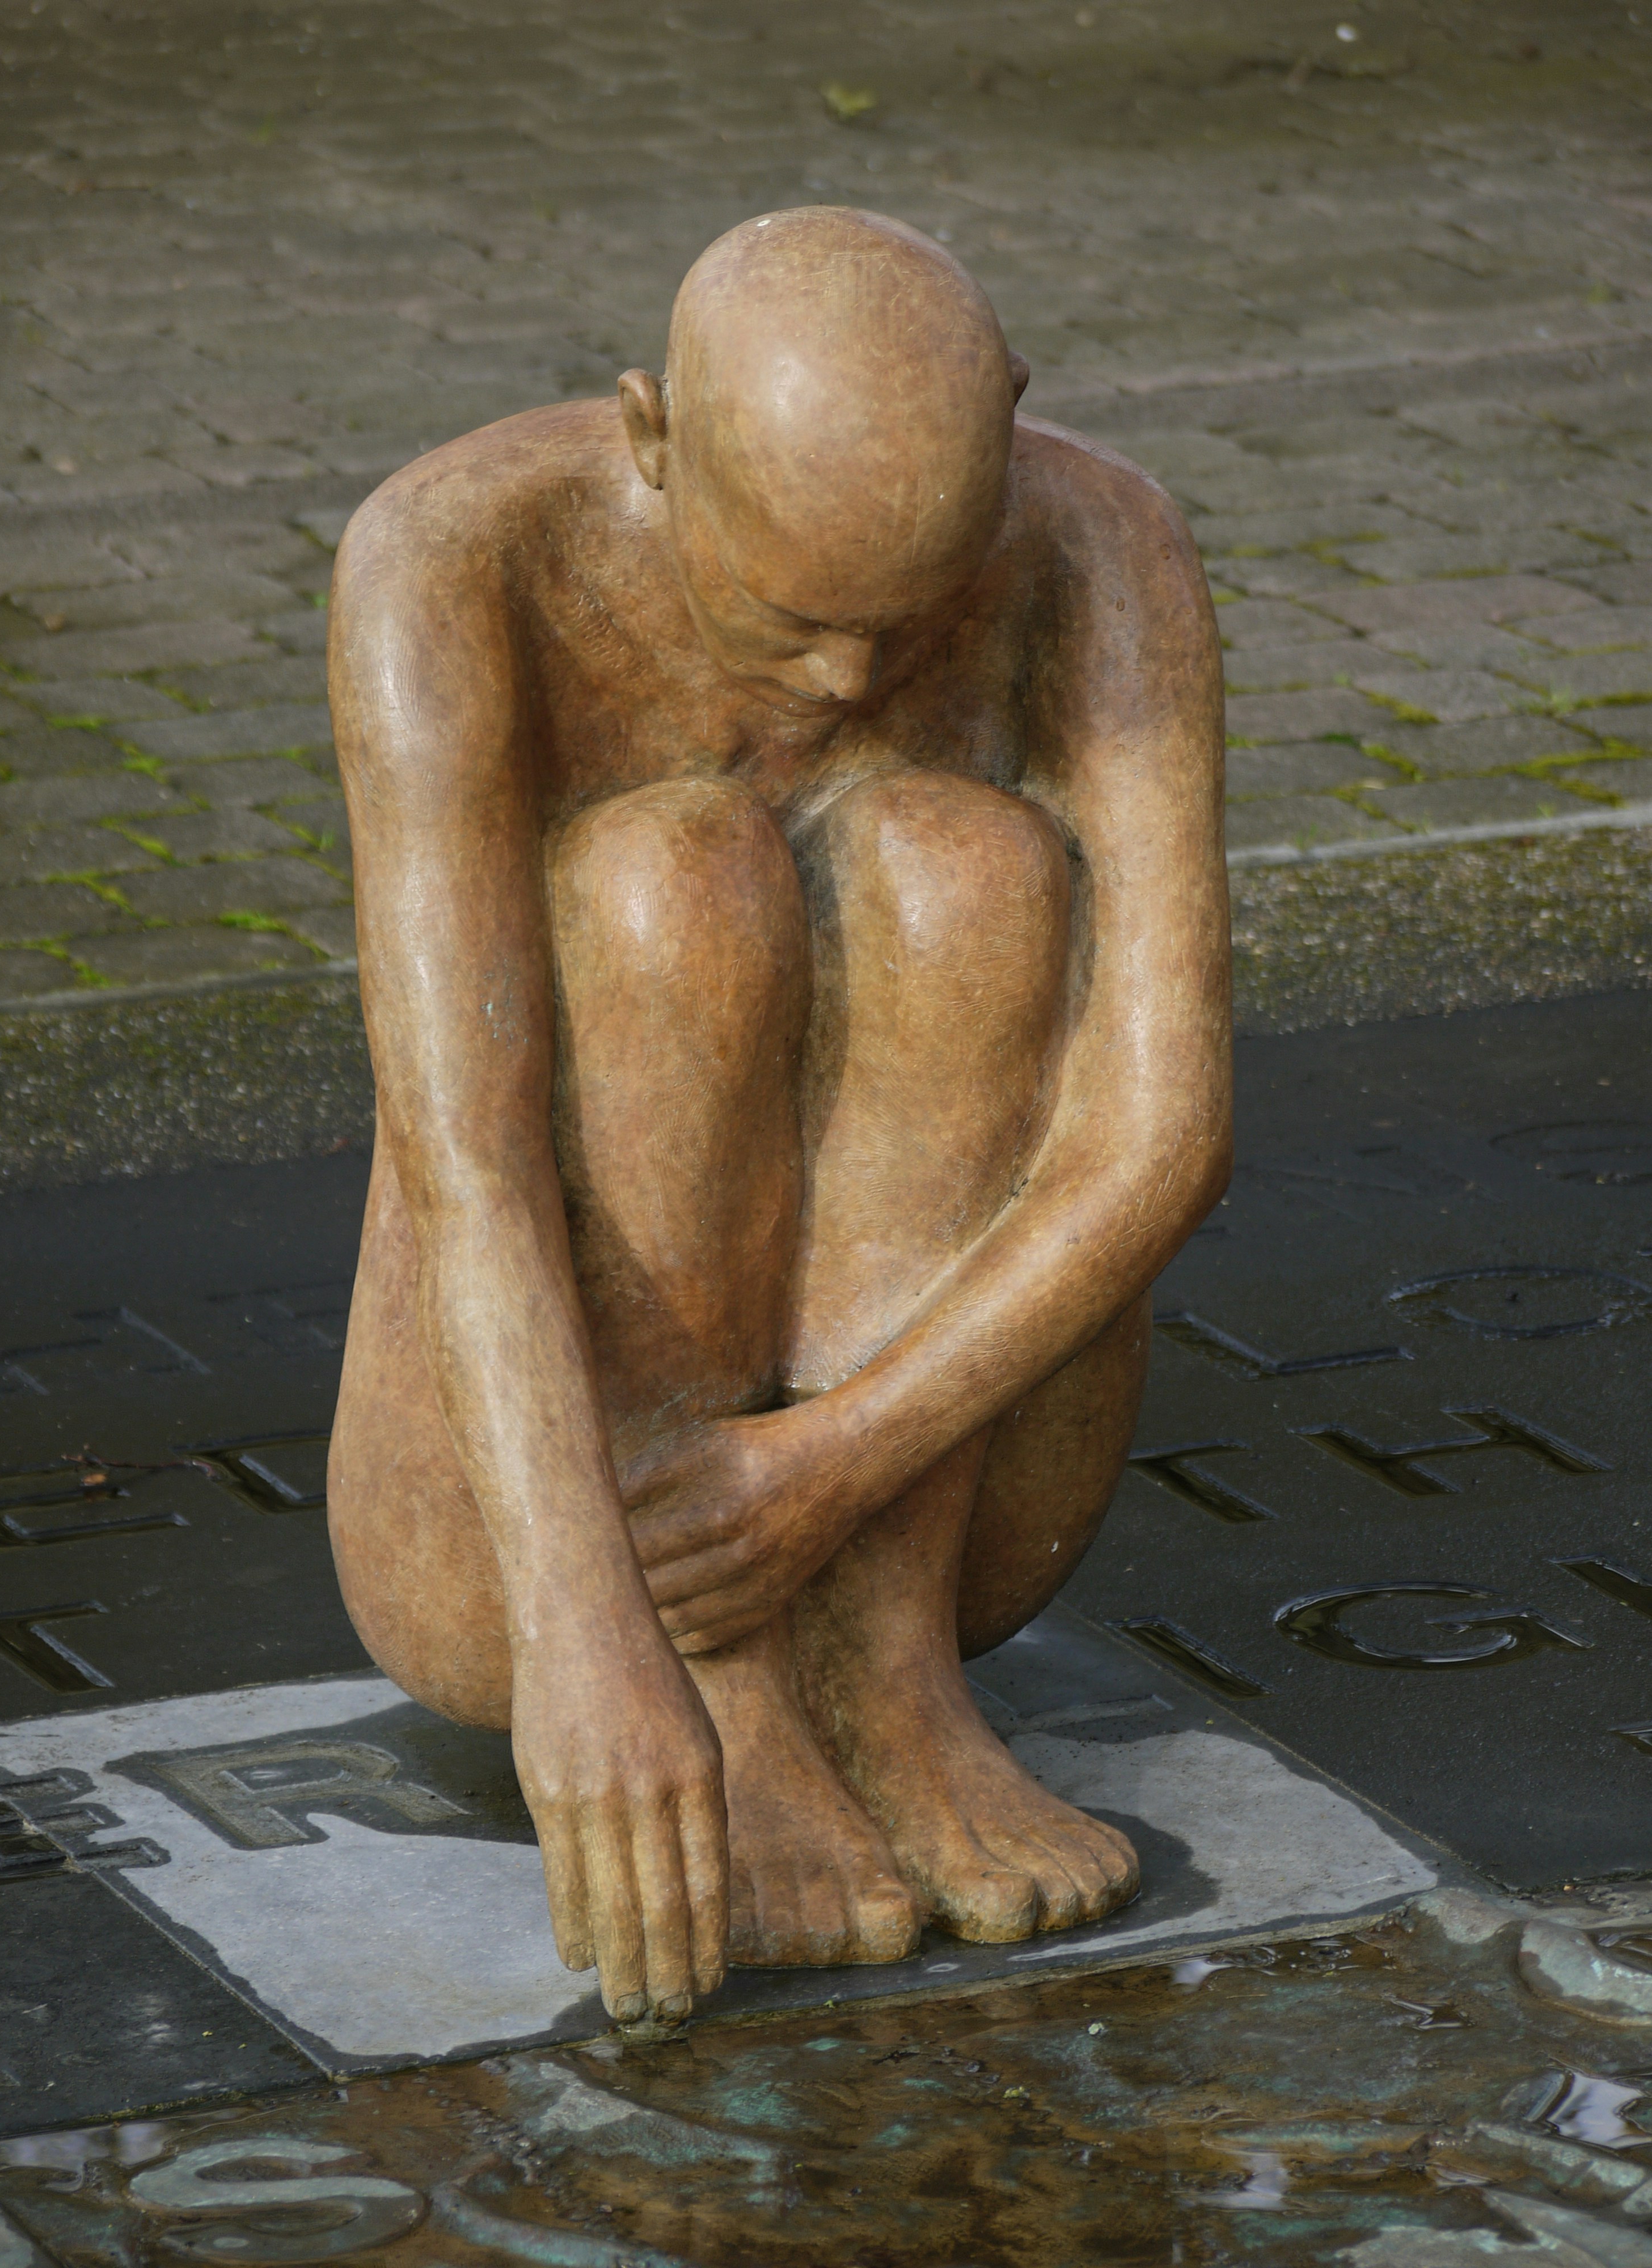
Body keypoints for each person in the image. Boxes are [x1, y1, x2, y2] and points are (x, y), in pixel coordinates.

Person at [325, 205, 1230, 2026]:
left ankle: (887, 1680)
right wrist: (592, 1642)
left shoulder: (1100, 540)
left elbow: (1165, 1129)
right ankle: (723, 1683)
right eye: (790, 616)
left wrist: (826, 1472)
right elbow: (468, 1154)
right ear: (651, 438)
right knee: (671, 884)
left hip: (935, 1506)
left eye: (905, 619)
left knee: (965, 866)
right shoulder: (447, 560)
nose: (846, 682)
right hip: (525, 1513)